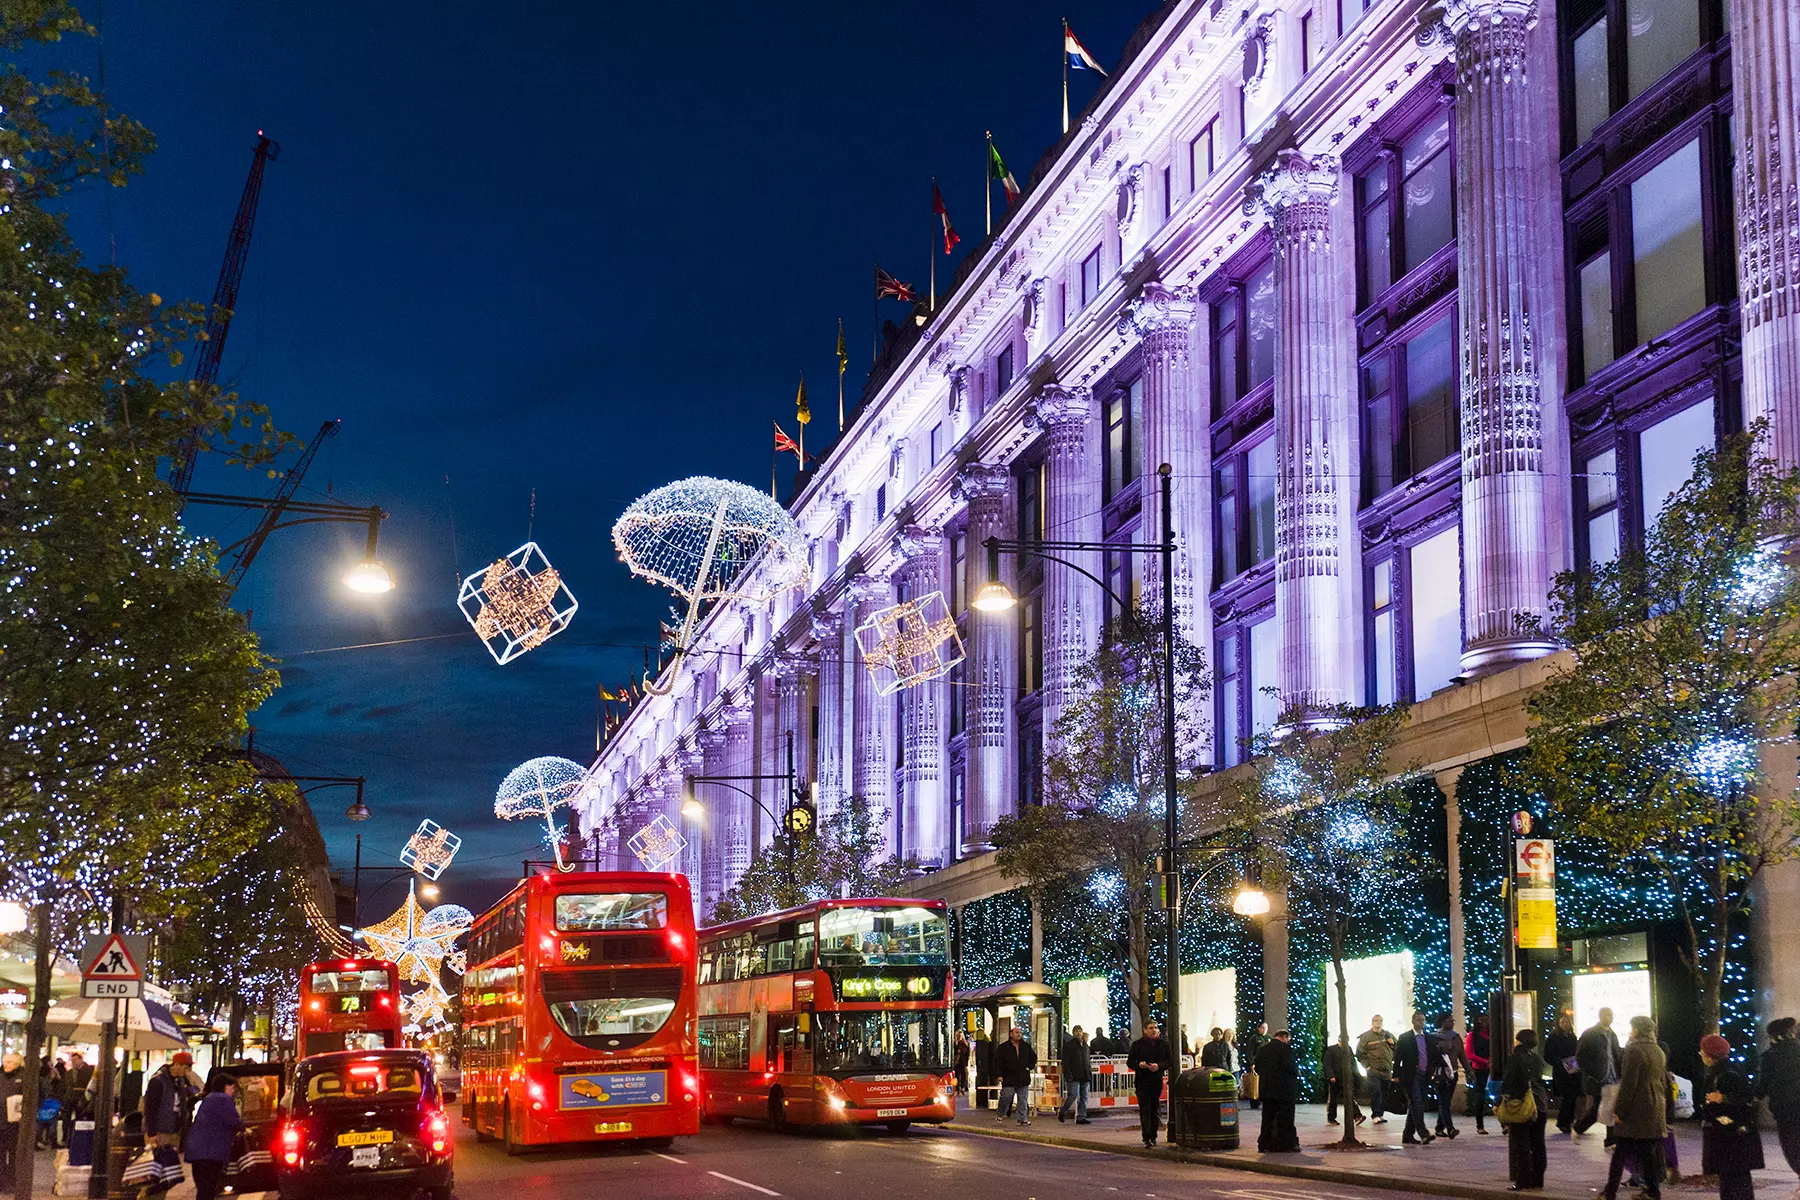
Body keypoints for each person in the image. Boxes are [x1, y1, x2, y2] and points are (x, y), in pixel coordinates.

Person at [1602, 1016, 1668, 1200]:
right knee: (1648, 1154)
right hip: (1655, 1105)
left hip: (1636, 1109)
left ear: (1637, 1030)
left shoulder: (1633, 1050)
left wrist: (1619, 1111)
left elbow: (1629, 1084)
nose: (1630, 1032)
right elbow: (1662, 1080)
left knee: (1620, 1153)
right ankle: (1653, 1192)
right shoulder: (1658, 1050)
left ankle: (1610, 1193)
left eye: (1631, 1029)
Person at [1699, 1035, 1763, 1200]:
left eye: (1702, 1050)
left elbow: (1742, 1098)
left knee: (1733, 1178)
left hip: (1729, 1135)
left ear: (1709, 1053)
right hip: (1734, 1134)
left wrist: (1723, 1099)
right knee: (1735, 1177)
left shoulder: (1723, 1072)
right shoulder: (1731, 1068)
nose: (1700, 1054)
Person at [1500, 1028, 1550, 1191]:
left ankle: (1522, 1181)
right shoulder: (1537, 1058)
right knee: (1538, 1143)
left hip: (1524, 1105)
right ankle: (1538, 1179)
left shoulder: (1515, 1058)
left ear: (1519, 1042)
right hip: (1540, 1105)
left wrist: (1503, 1098)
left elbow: (1509, 1082)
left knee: (1521, 1145)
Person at [1752, 1017, 1799, 1180]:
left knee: (1792, 1146)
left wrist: (1754, 1098)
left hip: (1785, 1109)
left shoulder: (1771, 1056)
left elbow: (1764, 1083)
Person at [144, 1050, 201, 1182]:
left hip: (174, 1131)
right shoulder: (158, 1081)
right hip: (160, 1131)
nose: (186, 1071)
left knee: (170, 1173)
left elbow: (184, 1103)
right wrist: (152, 1133)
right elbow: (150, 1108)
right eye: (185, 1068)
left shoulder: (180, 1081)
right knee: (156, 1171)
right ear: (177, 1064)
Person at [184, 1073, 243, 1200]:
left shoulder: (209, 1098)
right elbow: (233, 1121)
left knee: (203, 1189)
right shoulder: (222, 1099)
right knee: (209, 1187)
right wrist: (244, 1128)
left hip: (198, 1150)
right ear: (225, 1087)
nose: (233, 1092)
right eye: (232, 1088)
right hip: (210, 1151)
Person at [1575, 1007, 1621, 1135]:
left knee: (1610, 1108)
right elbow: (1581, 1056)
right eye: (1607, 1015)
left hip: (1612, 1076)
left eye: (1611, 1015)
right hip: (1597, 1078)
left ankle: (1610, 1140)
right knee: (1597, 1109)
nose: (1610, 1018)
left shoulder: (1613, 1034)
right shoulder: (1590, 1034)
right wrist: (1591, 1073)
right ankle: (1578, 1128)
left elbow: (1616, 1054)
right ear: (1600, 1016)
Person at [1127, 1020, 1172, 1149]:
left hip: (1156, 1080)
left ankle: (1153, 1135)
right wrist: (1139, 1065)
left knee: (1154, 1109)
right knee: (1145, 1109)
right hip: (1142, 1080)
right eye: (1151, 1028)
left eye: (1156, 1027)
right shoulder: (1138, 1044)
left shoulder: (1163, 1044)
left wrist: (1159, 1066)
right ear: (1145, 1030)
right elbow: (1130, 1062)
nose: (1154, 1030)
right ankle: (1146, 1136)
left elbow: (1170, 1061)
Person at [1254, 1029, 1300, 1152]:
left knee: (1268, 1117)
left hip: (1267, 1089)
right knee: (1286, 1117)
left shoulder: (1262, 1049)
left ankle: (1264, 1143)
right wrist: (1297, 1072)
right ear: (1284, 1037)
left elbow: (1257, 1067)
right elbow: (1290, 1067)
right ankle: (1287, 1143)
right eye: (1288, 1039)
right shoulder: (1286, 1049)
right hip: (1284, 1090)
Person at [1395, 1011, 1436, 1145]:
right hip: (1411, 1076)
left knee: (1415, 1104)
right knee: (1417, 1103)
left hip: (1425, 1075)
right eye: (1418, 1020)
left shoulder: (1429, 1038)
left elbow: (1432, 1056)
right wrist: (1395, 1076)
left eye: (1423, 1020)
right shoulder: (1405, 1037)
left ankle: (1407, 1135)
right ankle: (1423, 1133)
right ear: (1413, 1021)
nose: (1421, 1022)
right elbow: (1397, 1058)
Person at [1432, 1014, 1469, 1139]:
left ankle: (1439, 1128)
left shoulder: (1456, 1037)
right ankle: (1450, 1128)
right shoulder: (1434, 1038)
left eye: (1453, 1020)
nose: (1452, 1023)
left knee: (1445, 1102)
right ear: (1442, 1022)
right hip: (1440, 1074)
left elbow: (1462, 1056)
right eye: (1449, 1021)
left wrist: (1469, 1071)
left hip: (1453, 1073)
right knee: (1444, 1101)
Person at [1546, 1011, 1582, 1134]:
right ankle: (1562, 1122)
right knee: (1567, 1096)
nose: (1565, 1024)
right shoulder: (1553, 1037)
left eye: (1567, 1022)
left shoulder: (1572, 1037)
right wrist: (1560, 1063)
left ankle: (1569, 1121)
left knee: (1573, 1096)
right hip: (1561, 1072)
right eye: (1562, 1022)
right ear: (1558, 1024)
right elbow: (1547, 1055)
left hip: (1573, 1070)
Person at [992, 1026, 1036, 1126]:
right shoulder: (1003, 1047)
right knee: (1006, 1096)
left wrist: (1030, 1067)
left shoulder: (1026, 1046)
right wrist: (999, 1075)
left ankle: (1022, 1119)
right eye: (1016, 1032)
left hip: (1022, 1077)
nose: (1019, 1034)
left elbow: (1033, 1057)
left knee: (1023, 1099)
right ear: (1011, 1034)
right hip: (1009, 1077)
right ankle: (1000, 1113)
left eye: (1020, 1032)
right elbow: (997, 1062)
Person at [1357, 1015, 1396, 1124]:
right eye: (1376, 1020)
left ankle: (1380, 1114)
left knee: (1384, 1092)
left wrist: (1392, 1043)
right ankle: (1376, 1114)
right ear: (1372, 1022)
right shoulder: (1365, 1037)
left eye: (1380, 1021)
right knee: (1376, 1091)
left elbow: (1397, 1048)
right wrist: (1367, 1066)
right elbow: (1359, 1054)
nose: (1378, 1022)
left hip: (1387, 1070)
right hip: (1373, 1070)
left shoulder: (1388, 1034)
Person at [1324, 1035, 1362, 1127]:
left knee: (1349, 1097)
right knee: (1333, 1098)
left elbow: (1353, 1063)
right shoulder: (1331, 1050)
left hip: (1347, 1078)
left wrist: (1356, 1076)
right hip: (1335, 1078)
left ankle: (1357, 1116)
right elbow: (1327, 1064)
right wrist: (1331, 1076)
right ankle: (1331, 1117)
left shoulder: (1348, 1049)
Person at [1, 1051, 24, 1193]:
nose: (5, 1064)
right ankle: (2, 1183)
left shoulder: (22, 1077)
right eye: (4, 1062)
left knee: (14, 1154)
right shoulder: (0, 1076)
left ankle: (12, 1182)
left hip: (14, 1123)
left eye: (9, 1062)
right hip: (1, 1121)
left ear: (16, 1063)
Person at [1059, 1025, 1092, 1124]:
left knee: (1084, 1097)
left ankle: (1081, 1117)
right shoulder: (1069, 1045)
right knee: (1073, 1095)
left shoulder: (1085, 1045)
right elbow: (1066, 1061)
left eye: (1080, 1031)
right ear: (1073, 1033)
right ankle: (1063, 1111)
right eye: (1076, 1031)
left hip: (1084, 1075)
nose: (1078, 1033)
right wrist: (1068, 1074)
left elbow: (1087, 1060)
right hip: (1074, 1075)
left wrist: (1089, 1072)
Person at [1468, 1014, 1494, 1135]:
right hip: (1480, 1069)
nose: (1484, 1022)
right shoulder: (1472, 1036)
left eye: (1486, 1019)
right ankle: (1480, 1125)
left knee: (1500, 1094)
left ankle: (1504, 1123)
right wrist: (1485, 1061)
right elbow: (1469, 1054)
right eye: (1481, 1019)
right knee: (1480, 1096)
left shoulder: (1493, 1034)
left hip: (1494, 1067)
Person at [1240, 1021, 1267, 1110]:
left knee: (1264, 1083)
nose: (1264, 1030)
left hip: (1266, 1065)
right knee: (1255, 1083)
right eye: (1262, 1028)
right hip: (1257, 1064)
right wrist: (1251, 1063)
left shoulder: (1268, 1038)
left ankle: (1263, 1100)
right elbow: (1250, 1051)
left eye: (1266, 1028)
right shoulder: (1254, 1038)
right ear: (1258, 1028)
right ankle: (1254, 1102)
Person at [953, 1031, 972, 1095]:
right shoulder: (955, 1043)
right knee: (957, 1075)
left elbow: (967, 1053)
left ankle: (962, 1087)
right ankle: (958, 1088)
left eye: (960, 1035)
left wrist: (967, 1062)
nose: (959, 1037)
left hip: (963, 1061)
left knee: (963, 1075)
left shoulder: (965, 1044)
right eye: (958, 1035)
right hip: (957, 1061)